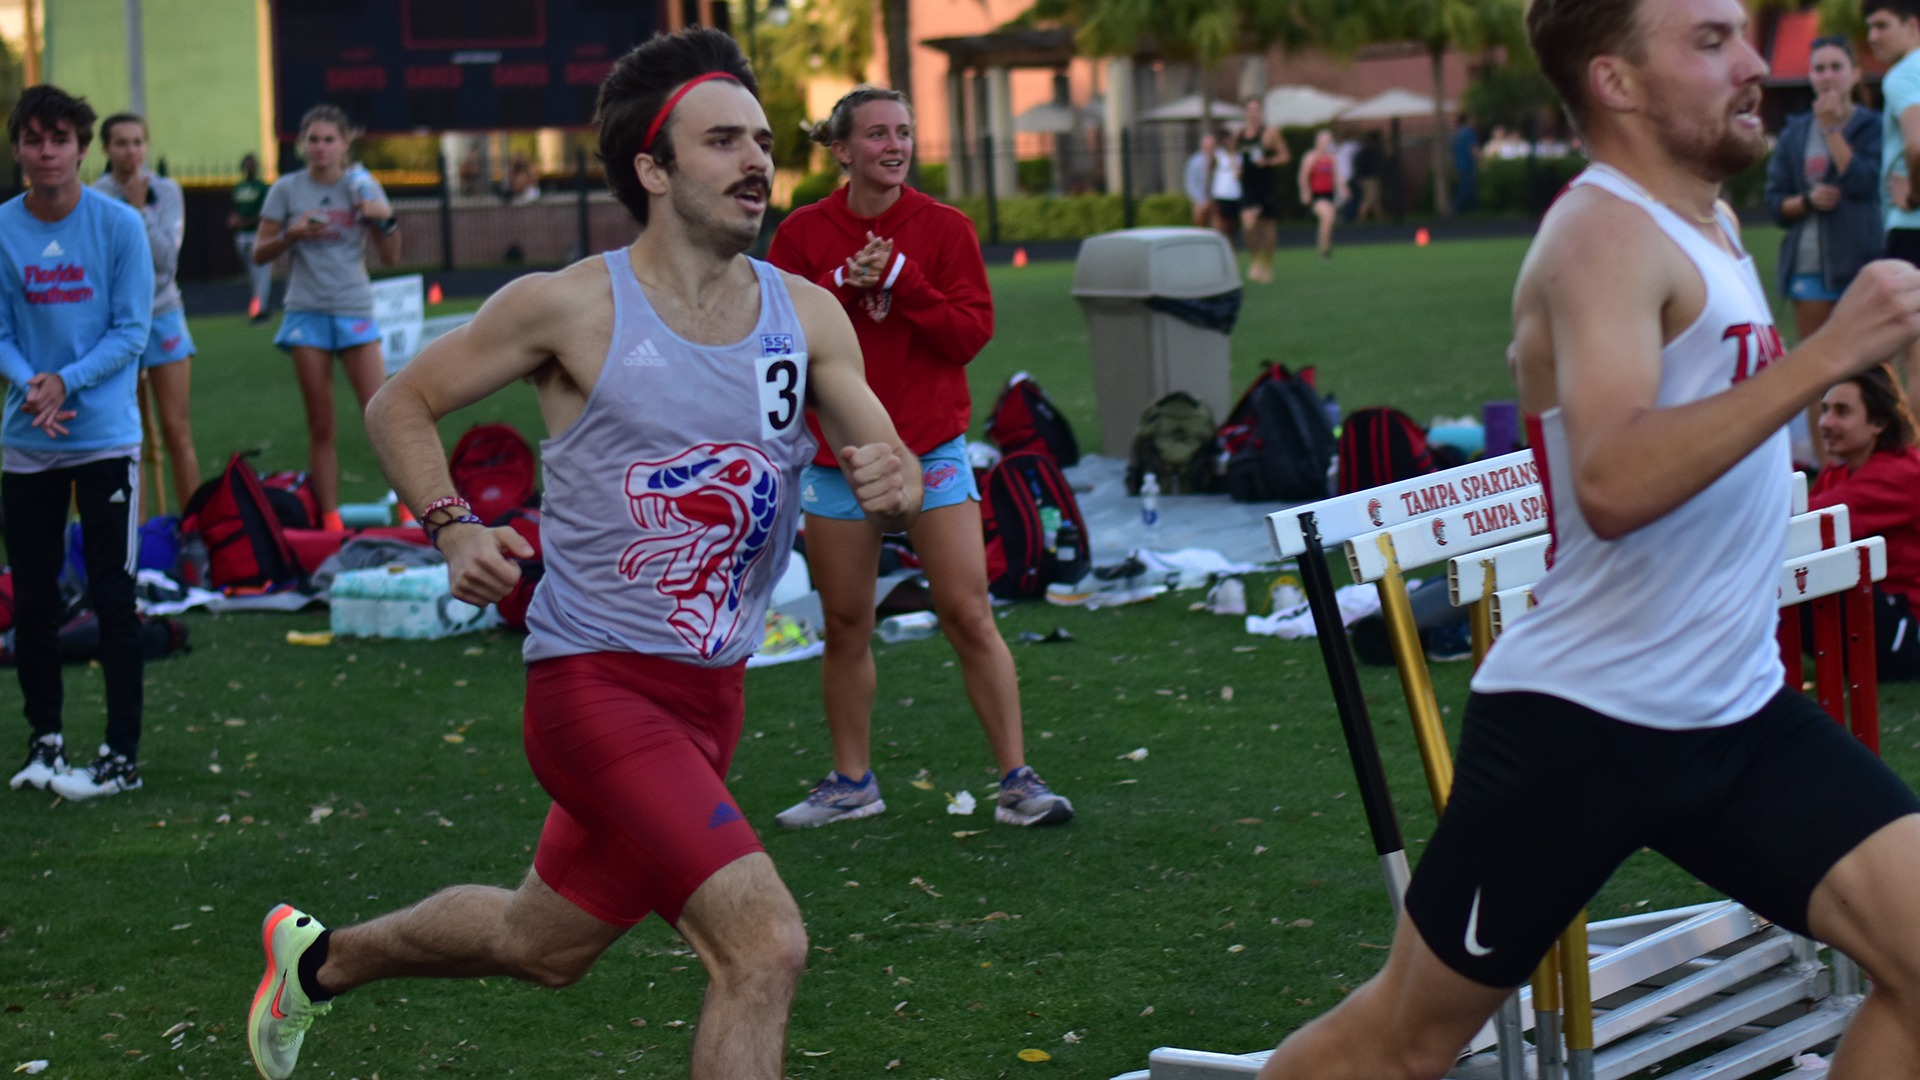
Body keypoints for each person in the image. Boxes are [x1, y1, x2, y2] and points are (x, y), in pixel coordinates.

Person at [1257, 2, 1920, 1078]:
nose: (1755, 64)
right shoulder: (1600, 232)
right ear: (1615, 80)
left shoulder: (1699, 218)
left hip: (1735, 712)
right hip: (1583, 728)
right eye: (1711, 42)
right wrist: (1830, 351)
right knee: (1405, 1041)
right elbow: (1612, 481)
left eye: (1745, 35)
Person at [244, 28, 921, 1080]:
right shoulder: (571, 305)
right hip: (593, 688)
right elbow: (401, 401)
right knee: (764, 946)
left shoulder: (810, 316)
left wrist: (896, 479)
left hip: (712, 695)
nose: (757, 162)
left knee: (542, 944)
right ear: (653, 170)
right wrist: (453, 522)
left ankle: (318, 961)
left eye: (761, 140)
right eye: (722, 142)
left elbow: (890, 453)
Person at [764, 84, 1075, 831]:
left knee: (968, 613)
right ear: (841, 151)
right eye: (876, 134)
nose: (895, 145)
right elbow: (775, 336)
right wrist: (843, 285)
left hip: (932, 451)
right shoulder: (803, 234)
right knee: (846, 624)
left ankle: (1017, 780)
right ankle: (852, 782)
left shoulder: (944, 228)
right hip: (839, 461)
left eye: (903, 131)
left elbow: (970, 336)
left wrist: (903, 282)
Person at [0, 86, 153, 800]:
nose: (47, 152)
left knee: (112, 597)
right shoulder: (2, 228)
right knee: (33, 601)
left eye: (59, 138)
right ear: (19, 150)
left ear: (81, 147)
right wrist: (32, 383)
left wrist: (65, 381)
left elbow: (131, 330)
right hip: (27, 438)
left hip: (103, 439)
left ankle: (121, 755)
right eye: (33, 140)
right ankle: (45, 744)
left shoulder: (120, 227)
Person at [251, 105, 401, 531]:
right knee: (321, 423)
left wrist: (383, 221)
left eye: (328, 139)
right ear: (302, 144)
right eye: (312, 139)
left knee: (384, 415)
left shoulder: (364, 185)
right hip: (307, 312)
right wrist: (291, 234)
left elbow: (391, 257)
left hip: (354, 307)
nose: (319, 148)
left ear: (345, 142)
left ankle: (412, 512)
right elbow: (259, 253)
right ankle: (330, 520)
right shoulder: (286, 189)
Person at [1766, 35, 1883, 468]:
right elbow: (1777, 201)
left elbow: (1865, 183)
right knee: (1818, 372)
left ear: (1854, 73)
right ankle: (1829, 470)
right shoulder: (1796, 132)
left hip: (1858, 264)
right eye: (1819, 68)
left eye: (1836, 66)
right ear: (1809, 76)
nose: (1828, 76)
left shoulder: (1871, 125)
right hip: (1810, 267)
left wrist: (1834, 130)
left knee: (1871, 371)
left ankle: (1875, 465)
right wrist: (1807, 202)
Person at [94, 112, 200, 513]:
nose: (131, 151)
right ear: (105, 148)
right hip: (119, 322)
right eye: (121, 143)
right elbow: (104, 265)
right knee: (130, 436)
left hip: (164, 313)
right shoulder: (96, 196)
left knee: (176, 430)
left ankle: (191, 528)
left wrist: (138, 210)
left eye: (138, 142)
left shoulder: (165, 191)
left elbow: (167, 261)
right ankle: (134, 534)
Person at [1808, 365, 1920, 680]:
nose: (1826, 423)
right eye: (1824, 410)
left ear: (1879, 422)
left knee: (1805, 579)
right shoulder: (1837, 473)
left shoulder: (1900, 474)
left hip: (1909, 630)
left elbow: (1807, 527)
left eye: (1842, 412)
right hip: (1880, 614)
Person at [1868, 0, 1920, 391]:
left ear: (1912, 25)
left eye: (1883, 25)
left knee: (1915, 362)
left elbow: (1917, 145)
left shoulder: (1902, 75)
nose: (1873, 37)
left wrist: (1916, 193)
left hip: (1911, 231)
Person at [1234, 98, 1291, 282]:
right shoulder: (1239, 134)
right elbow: (1232, 154)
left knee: (1267, 227)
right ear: (1245, 113)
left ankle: (1267, 264)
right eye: (1251, 110)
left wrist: (1267, 162)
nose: (1254, 114)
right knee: (1248, 226)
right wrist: (1236, 169)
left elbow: (1285, 156)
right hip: (1248, 187)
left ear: (1261, 113)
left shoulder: (1270, 133)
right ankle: (1255, 259)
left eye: (1257, 110)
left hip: (1266, 186)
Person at [229, 154, 273, 322]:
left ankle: (261, 310)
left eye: (251, 165)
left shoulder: (262, 187)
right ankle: (257, 305)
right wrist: (235, 220)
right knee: (253, 274)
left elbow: (265, 214)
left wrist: (244, 221)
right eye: (246, 165)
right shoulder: (239, 187)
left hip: (257, 234)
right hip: (242, 236)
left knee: (261, 272)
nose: (249, 168)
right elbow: (236, 209)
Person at [1298, 128, 1345, 261]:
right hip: (1317, 195)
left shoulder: (1331, 158)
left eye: (1329, 140)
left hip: (1329, 194)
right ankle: (1324, 250)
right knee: (1327, 217)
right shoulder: (1311, 157)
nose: (1327, 143)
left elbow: (1336, 176)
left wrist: (1343, 188)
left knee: (1329, 220)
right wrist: (1305, 192)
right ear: (1318, 142)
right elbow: (1303, 176)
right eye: (1325, 140)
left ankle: (1325, 248)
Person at [1207, 127, 1243, 247]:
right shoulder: (1218, 155)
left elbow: (1239, 175)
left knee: (1232, 226)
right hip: (1220, 194)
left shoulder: (1239, 157)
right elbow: (1210, 168)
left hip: (1234, 195)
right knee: (1220, 225)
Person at [1185, 130, 1218, 228]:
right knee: (1199, 220)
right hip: (1200, 199)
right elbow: (1190, 182)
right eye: (1207, 145)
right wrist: (1200, 200)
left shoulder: (1219, 159)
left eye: (1211, 145)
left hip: (1216, 200)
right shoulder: (1194, 161)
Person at [1352, 131, 1386, 222]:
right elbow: (1379, 164)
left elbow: (1357, 165)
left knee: (1375, 199)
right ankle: (1360, 218)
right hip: (1371, 178)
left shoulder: (1362, 151)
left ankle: (1380, 218)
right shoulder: (1373, 151)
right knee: (1369, 198)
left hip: (1366, 178)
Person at [1451, 114, 1480, 214]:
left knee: (1469, 187)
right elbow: (1473, 149)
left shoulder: (1456, 134)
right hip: (1468, 165)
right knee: (1466, 187)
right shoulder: (1469, 133)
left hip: (1459, 164)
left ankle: (1474, 209)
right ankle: (1455, 208)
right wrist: (1482, 161)